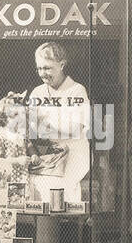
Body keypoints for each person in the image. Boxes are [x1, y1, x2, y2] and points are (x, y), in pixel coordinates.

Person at [26, 42, 91, 204]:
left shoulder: (76, 90)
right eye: (39, 68)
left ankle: (67, 225)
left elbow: (76, 128)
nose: (42, 73)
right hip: (48, 155)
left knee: (59, 189)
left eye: (47, 68)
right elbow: (31, 129)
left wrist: (44, 126)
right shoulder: (37, 92)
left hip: (74, 154)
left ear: (62, 65)